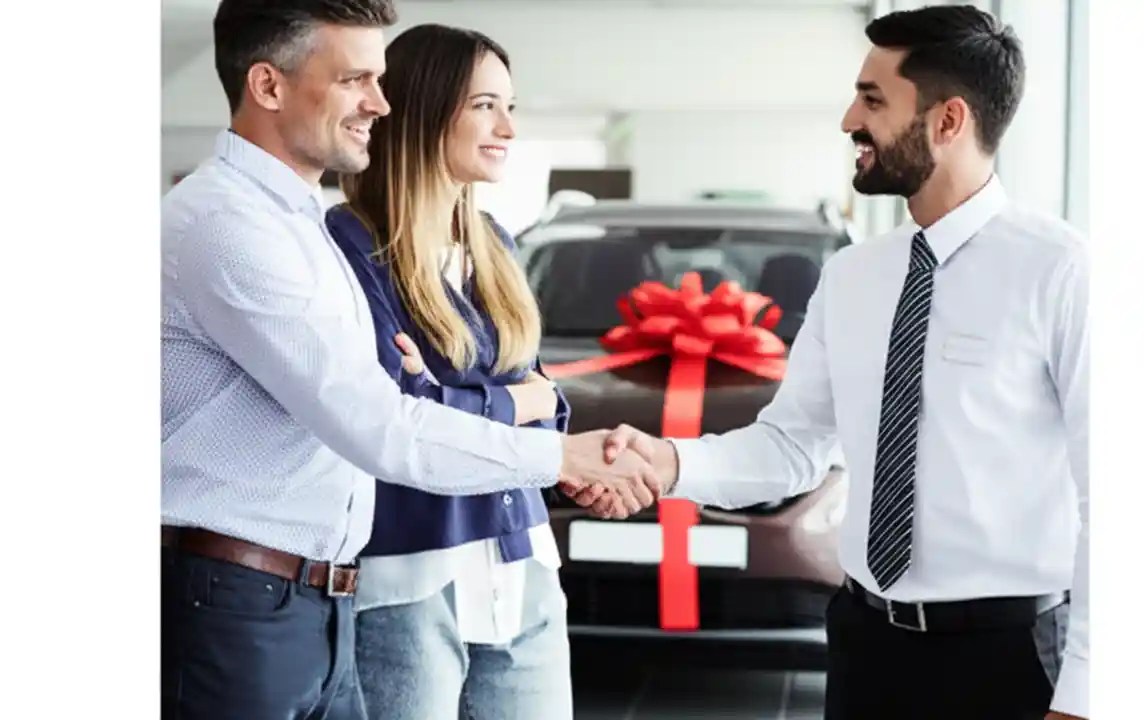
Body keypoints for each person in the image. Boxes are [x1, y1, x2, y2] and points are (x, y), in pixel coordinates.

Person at [572, 6, 1089, 719]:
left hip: (1012, 655)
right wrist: (665, 463)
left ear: (948, 120)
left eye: (873, 99)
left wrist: (1085, 690)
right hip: (866, 646)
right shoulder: (853, 277)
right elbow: (792, 447)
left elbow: (1111, 497)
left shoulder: (1059, 270)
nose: (850, 119)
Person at [160, 2, 658, 718]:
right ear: (269, 86)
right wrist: (553, 445)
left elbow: (514, 395)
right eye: (357, 78)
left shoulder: (299, 221)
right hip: (305, 584)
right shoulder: (258, 229)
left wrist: (516, 410)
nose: (379, 103)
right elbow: (387, 422)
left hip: (335, 589)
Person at [325, 24, 573, 720]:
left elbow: (551, 404)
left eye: (511, 107)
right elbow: (397, 416)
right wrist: (506, 399)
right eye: (485, 105)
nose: (507, 128)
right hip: (411, 576)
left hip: (523, 565)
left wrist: (453, 396)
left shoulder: (494, 242)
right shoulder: (350, 241)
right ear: (427, 108)